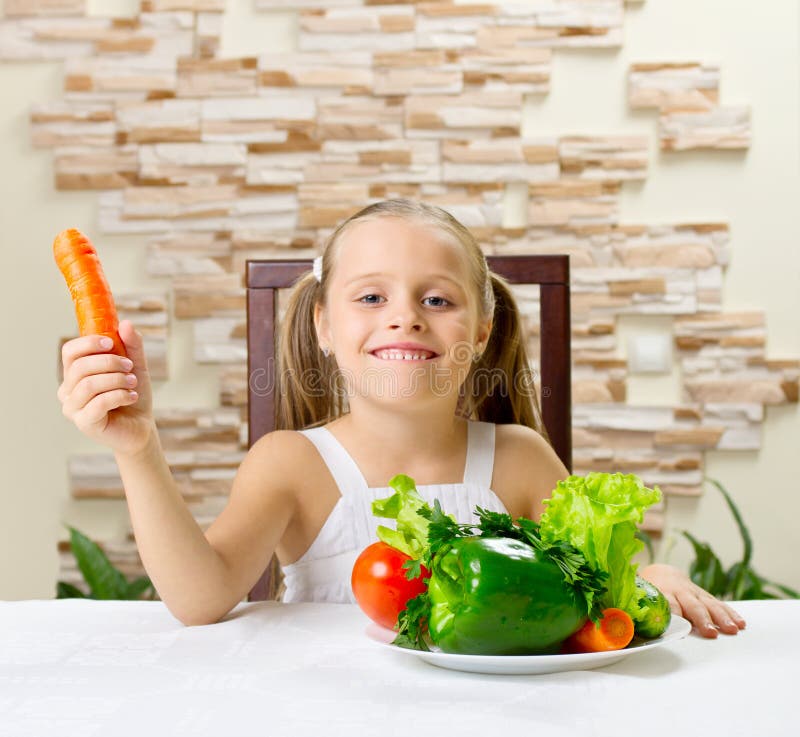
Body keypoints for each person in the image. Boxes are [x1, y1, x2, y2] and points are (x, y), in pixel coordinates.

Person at [58, 198, 745, 638]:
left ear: (480, 333)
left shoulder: (520, 459)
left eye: (437, 300)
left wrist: (647, 579)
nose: (405, 316)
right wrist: (138, 448)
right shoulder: (291, 464)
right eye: (371, 296)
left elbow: (600, 589)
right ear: (324, 326)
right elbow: (198, 598)